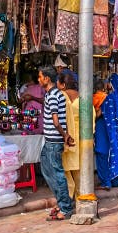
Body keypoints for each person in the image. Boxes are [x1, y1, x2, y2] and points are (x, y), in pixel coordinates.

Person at [38, 67, 74, 222]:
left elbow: (56, 121)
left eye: (40, 77)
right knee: (47, 170)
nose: (38, 79)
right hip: (51, 140)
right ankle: (62, 202)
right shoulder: (54, 94)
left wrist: (64, 135)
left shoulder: (53, 95)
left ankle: (66, 207)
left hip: (53, 140)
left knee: (57, 174)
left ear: (47, 79)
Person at [95, 74, 118, 189]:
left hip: (104, 130)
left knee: (102, 153)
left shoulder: (108, 99)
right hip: (116, 131)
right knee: (116, 153)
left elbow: (98, 114)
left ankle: (106, 182)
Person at [58, 71, 82, 198]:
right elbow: (91, 117)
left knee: (66, 170)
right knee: (78, 170)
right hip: (81, 137)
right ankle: (80, 198)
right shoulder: (83, 97)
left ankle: (68, 198)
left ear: (63, 84)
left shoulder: (60, 96)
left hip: (66, 136)